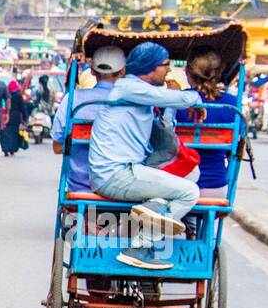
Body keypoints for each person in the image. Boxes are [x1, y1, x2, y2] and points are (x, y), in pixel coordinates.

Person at [88, 41, 205, 270]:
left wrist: (173, 101)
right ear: (150, 68)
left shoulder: (136, 94)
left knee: (190, 176)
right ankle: (140, 247)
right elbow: (181, 99)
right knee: (190, 192)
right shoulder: (130, 88)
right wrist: (192, 97)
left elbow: (164, 126)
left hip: (126, 172)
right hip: (116, 175)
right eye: (165, 65)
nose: (169, 70)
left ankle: (155, 209)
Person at [50, 45, 125, 191]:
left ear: (92, 70)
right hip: (121, 188)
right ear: (123, 70)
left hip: (78, 186)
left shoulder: (73, 99)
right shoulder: (132, 103)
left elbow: (57, 147)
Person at [177, 48, 239, 198]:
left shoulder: (177, 100)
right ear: (218, 74)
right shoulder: (232, 104)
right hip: (216, 188)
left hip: (179, 184)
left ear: (187, 72)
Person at [0, 78, 27, 156]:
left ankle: (5, 149)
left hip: (5, 116)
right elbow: (22, 107)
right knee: (14, 134)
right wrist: (25, 118)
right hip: (15, 117)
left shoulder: (6, 95)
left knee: (5, 133)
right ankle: (12, 149)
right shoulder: (18, 96)